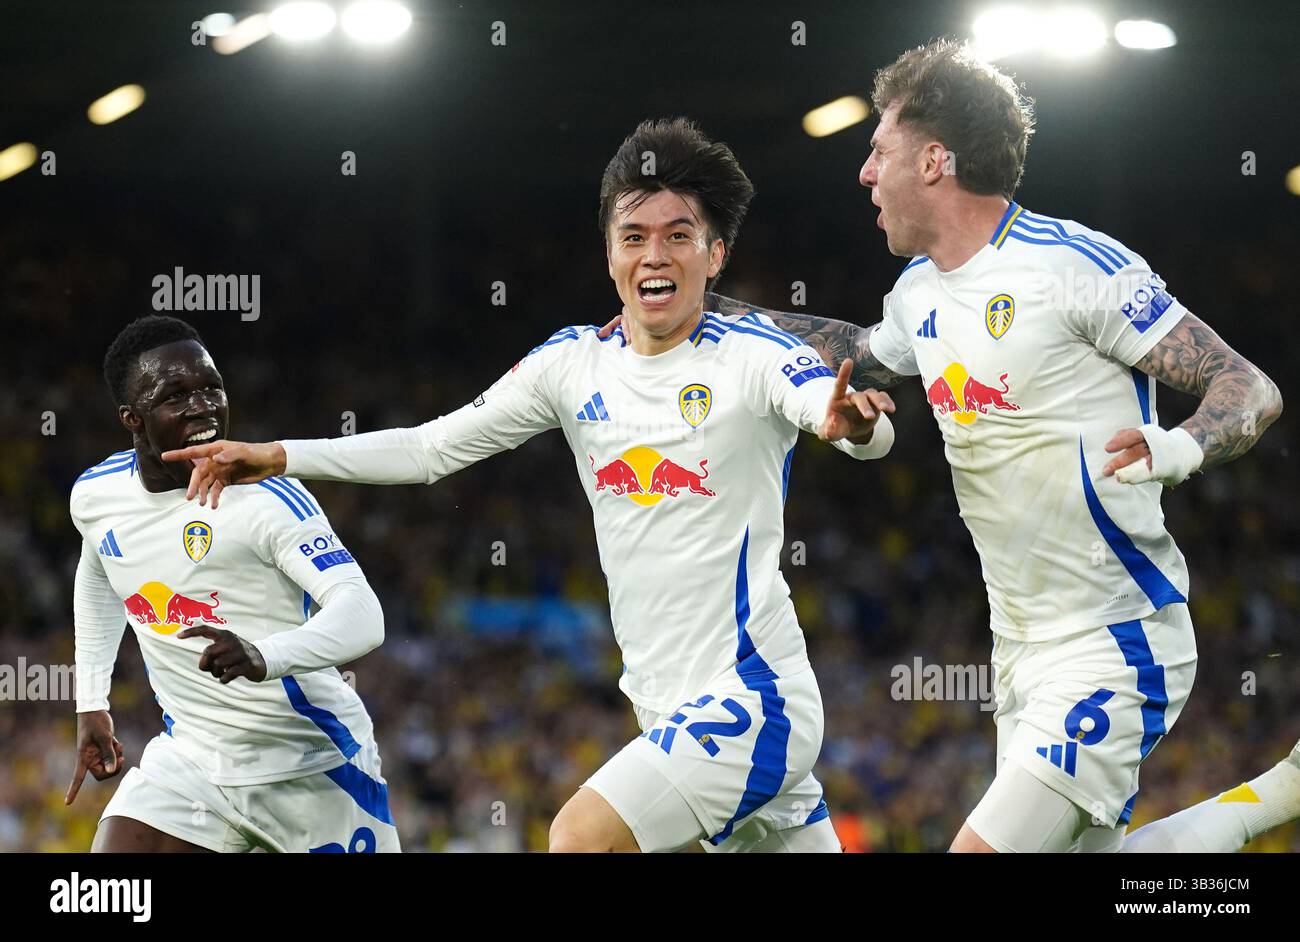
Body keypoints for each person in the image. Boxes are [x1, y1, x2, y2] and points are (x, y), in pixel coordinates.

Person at [165, 118, 897, 853]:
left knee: (579, 835)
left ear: (715, 255)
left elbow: (837, 413)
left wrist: (854, 428)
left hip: (755, 698)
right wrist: (281, 454)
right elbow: (430, 449)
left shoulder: (754, 354)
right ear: (609, 253)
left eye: (679, 236)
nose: (655, 254)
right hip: (664, 710)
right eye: (634, 235)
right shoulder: (570, 366)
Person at [647, 39, 1296, 853]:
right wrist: (699, 308)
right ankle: (1279, 791)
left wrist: (1182, 447)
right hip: (1018, 656)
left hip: (1116, 639)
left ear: (933, 161)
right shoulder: (920, 294)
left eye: (877, 150)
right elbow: (857, 354)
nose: (864, 173)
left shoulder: (1073, 268)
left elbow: (1249, 387)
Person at [67, 315, 398, 853]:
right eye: (176, 396)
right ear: (133, 418)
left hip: (309, 765)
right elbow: (99, 572)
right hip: (193, 762)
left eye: (211, 388)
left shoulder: (268, 499)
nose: (203, 407)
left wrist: (263, 654)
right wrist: (90, 700)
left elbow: (363, 614)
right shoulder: (97, 496)